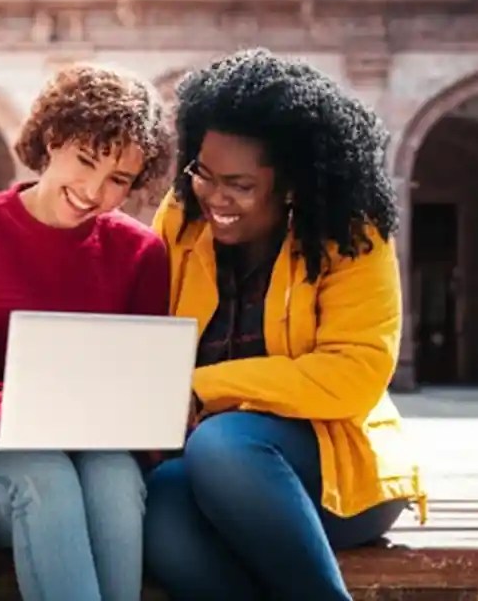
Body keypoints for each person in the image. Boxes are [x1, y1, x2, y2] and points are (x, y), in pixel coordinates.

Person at [142, 49, 427, 601]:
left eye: (240, 185)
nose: (215, 197)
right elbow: (150, 335)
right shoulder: (180, 220)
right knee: (163, 509)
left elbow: (356, 373)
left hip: (338, 475)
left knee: (225, 443)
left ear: (292, 184)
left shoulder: (351, 235)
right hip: (206, 470)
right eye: (204, 173)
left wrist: (203, 386)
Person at [0, 64, 173, 601]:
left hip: (99, 448)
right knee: (45, 478)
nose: (95, 191)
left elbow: (145, 376)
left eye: (119, 180)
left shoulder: (141, 252)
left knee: (118, 483)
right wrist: (19, 406)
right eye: (86, 161)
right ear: (53, 140)